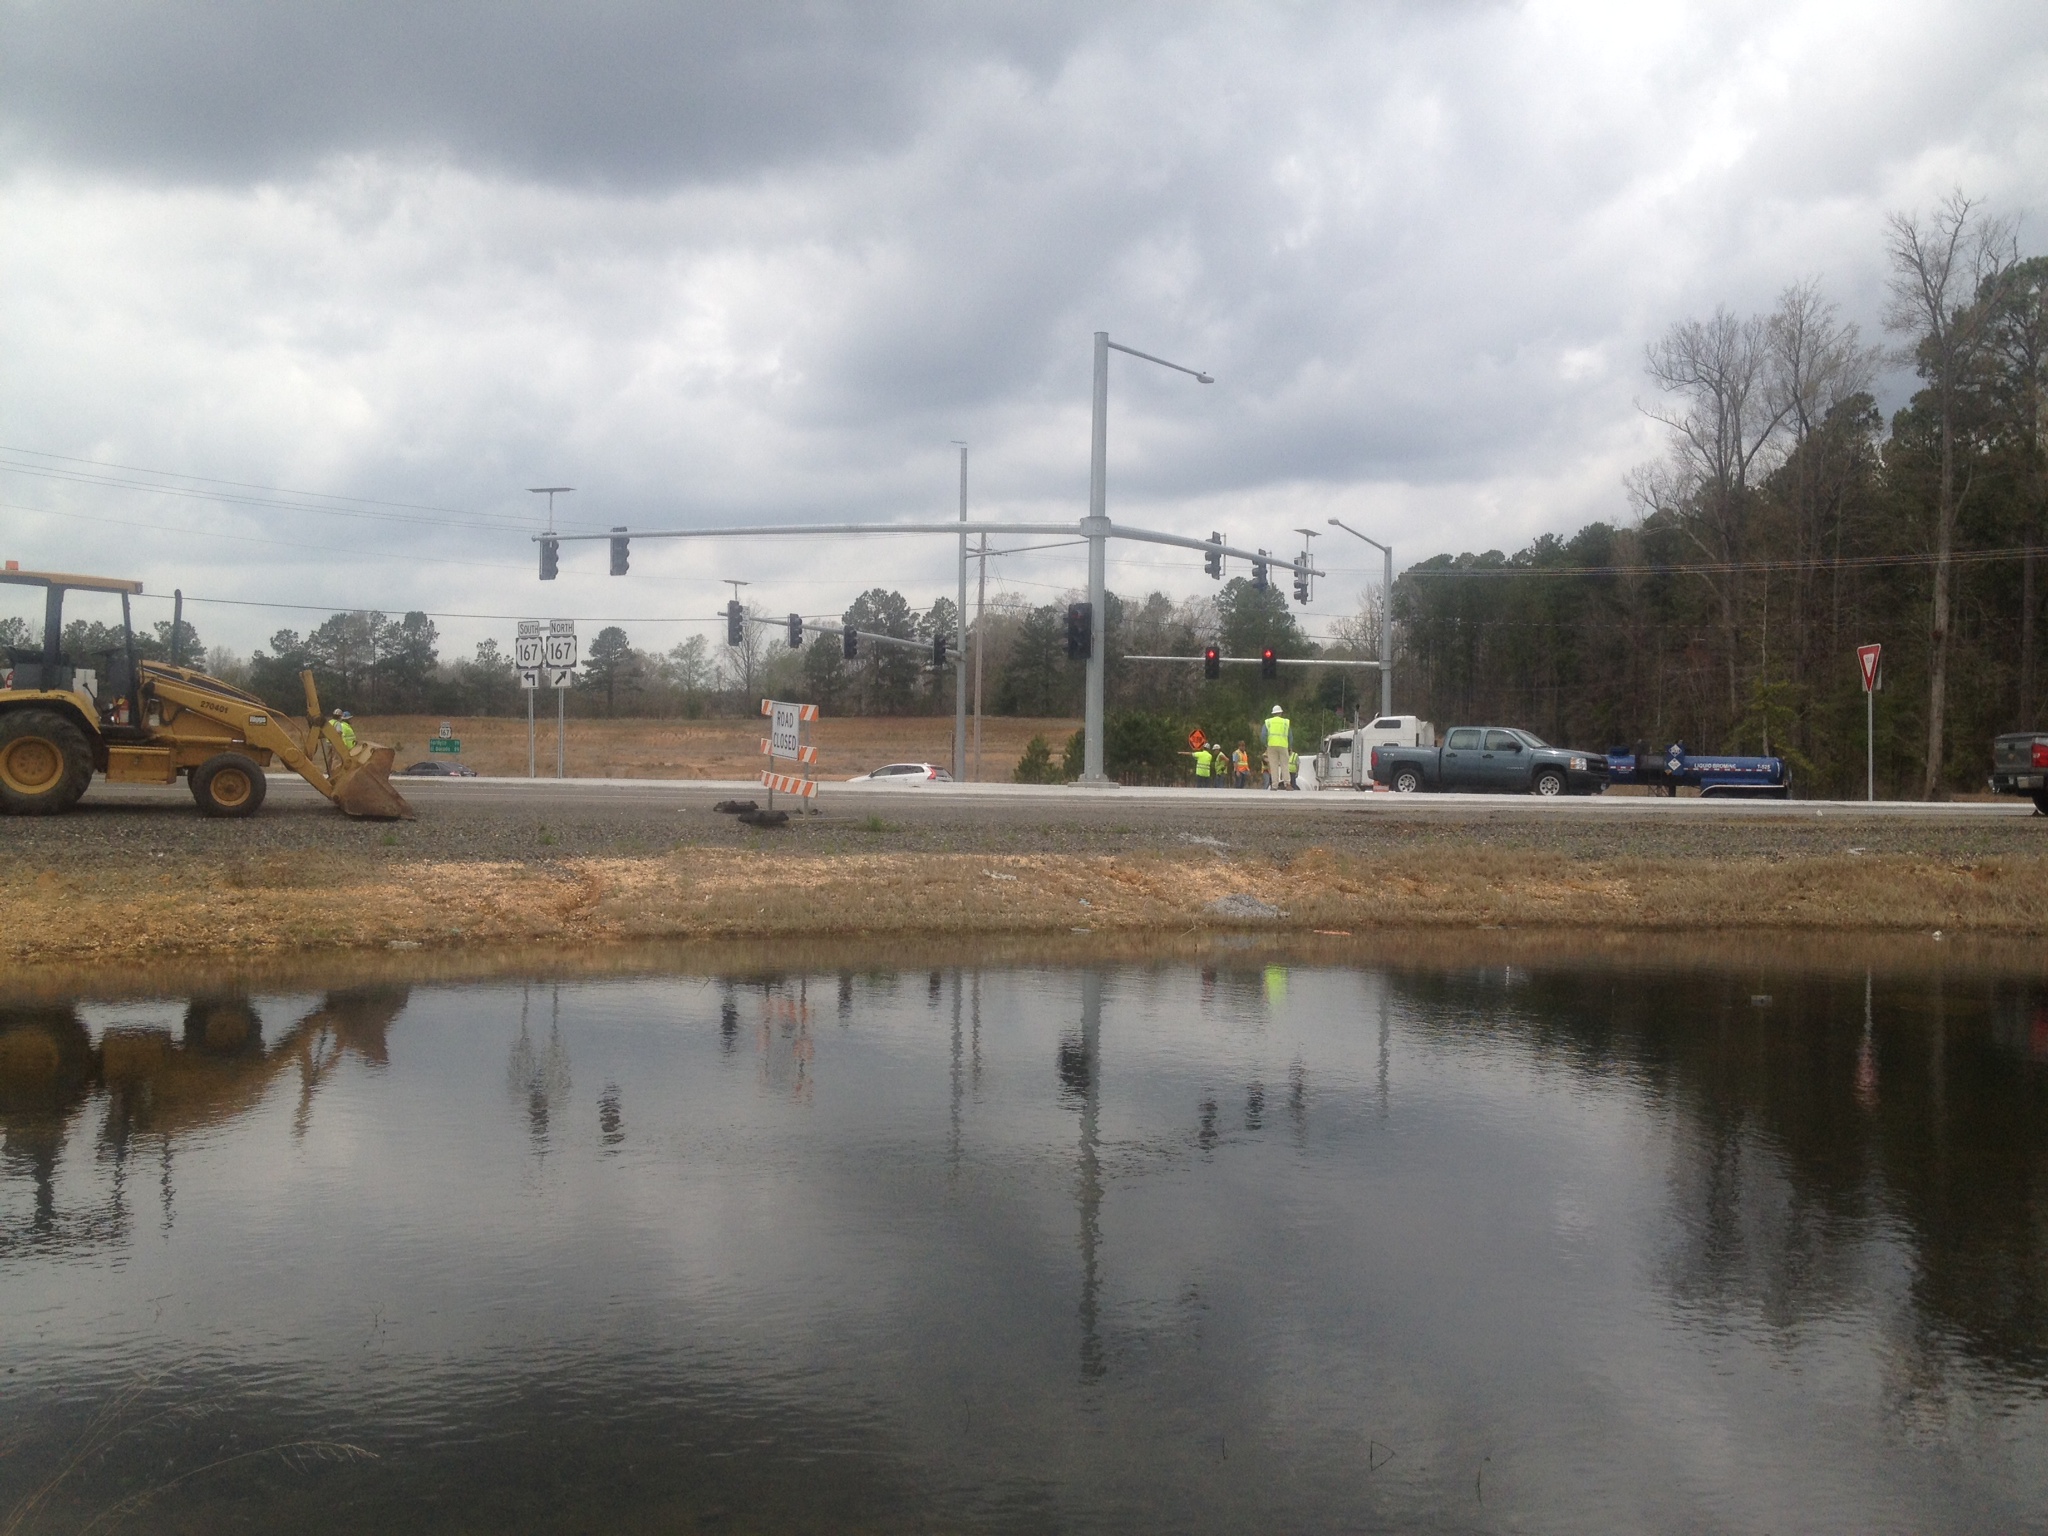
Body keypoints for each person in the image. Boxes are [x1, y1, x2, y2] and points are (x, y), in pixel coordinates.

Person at [1263, 705, 1290, 791]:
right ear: (1281, 713)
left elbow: (1263, 735)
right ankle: (1287, 784)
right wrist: (1290, 746)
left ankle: (1274, 786)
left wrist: (1266, 745)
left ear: (1273, 713)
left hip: (1271, 746)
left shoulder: (1268, 722)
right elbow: (1290, 735)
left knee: (1273, 766)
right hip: (1283, 746)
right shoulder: (1285, 722)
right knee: (1284, 765)